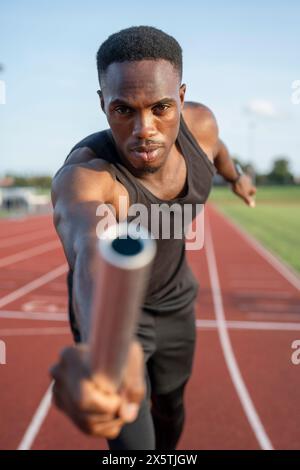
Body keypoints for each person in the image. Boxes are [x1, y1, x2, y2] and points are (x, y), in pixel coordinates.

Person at [50, 25, 256, 450]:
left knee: (172, 409)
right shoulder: (89, 175)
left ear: (181, 98)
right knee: (132, 443)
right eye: (123, 110)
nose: (145, 128)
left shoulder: (201, 126)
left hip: (176, 299)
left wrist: (237, 178)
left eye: (161, 107)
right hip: (115, 314)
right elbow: (87, 245)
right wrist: (104, 343)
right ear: (102, 104)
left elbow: (218, 152)